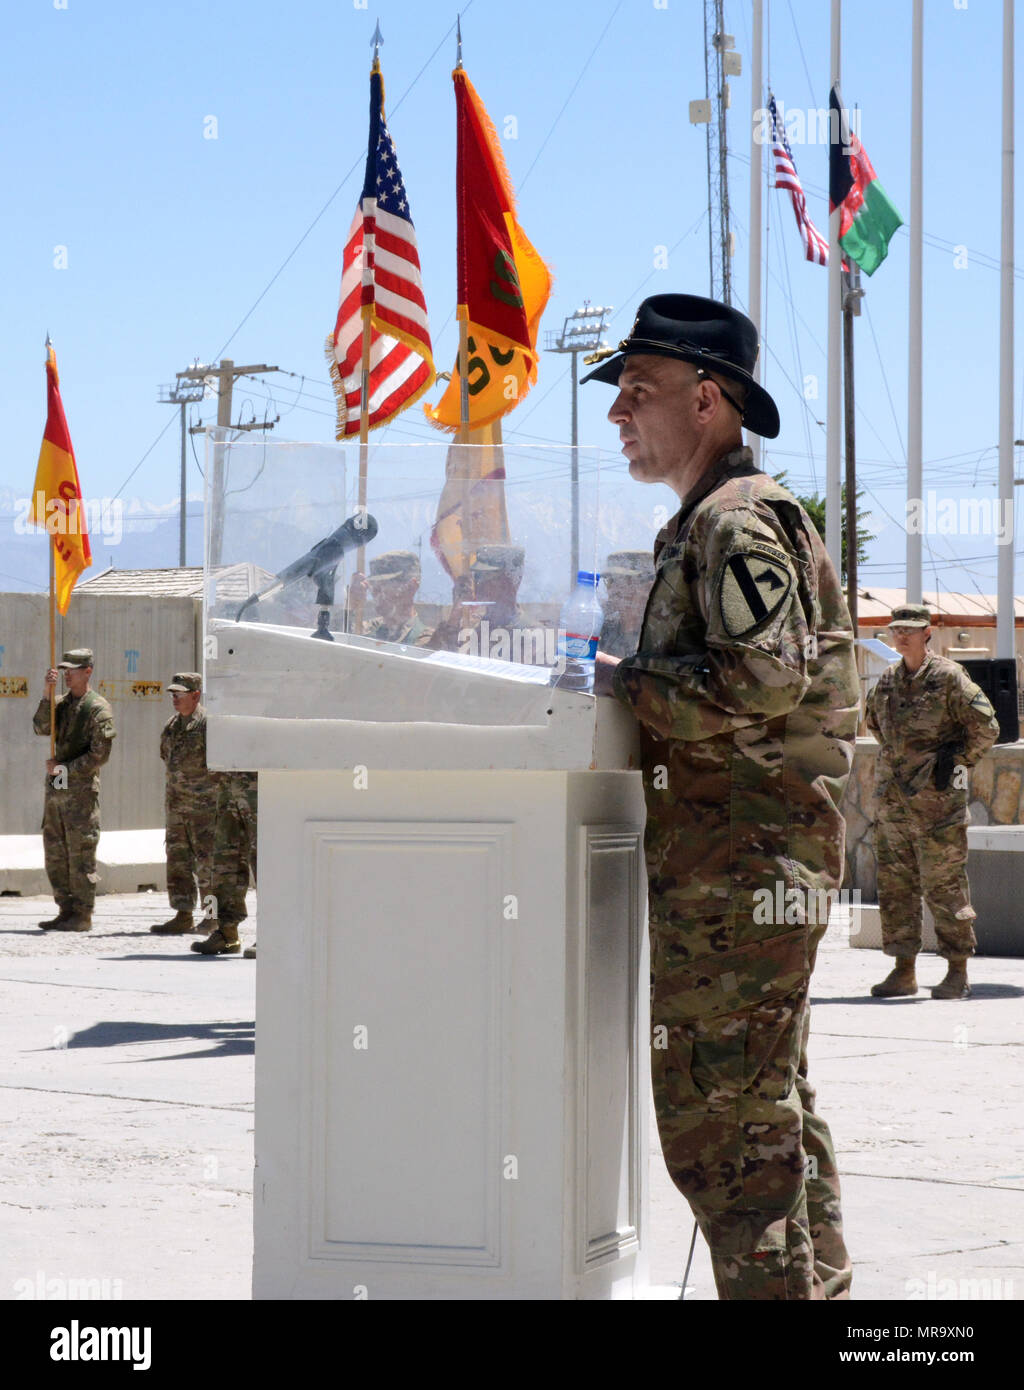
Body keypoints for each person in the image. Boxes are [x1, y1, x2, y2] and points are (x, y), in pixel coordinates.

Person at [582, 292, 859, 1300]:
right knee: (768, 1114)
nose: (618, 413)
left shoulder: (736, 519)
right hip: (743, 872)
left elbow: (763, 681)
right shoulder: (712, 518)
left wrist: (622, 682)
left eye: (637, 391)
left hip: (741, 876)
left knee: (723, 1137)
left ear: (706, 400)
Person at [865, 605, 999, 1001]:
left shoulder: (948, 677)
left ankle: (957, 970)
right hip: (893, 804)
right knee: (895, 887)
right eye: (896, 630)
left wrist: (955, 761)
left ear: (927, 634)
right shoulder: (888, 679)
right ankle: (903, 970)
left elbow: (987, 727)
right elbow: (874, 723)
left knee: (944, 886)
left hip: (937, 804)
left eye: (910, 630)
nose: (901, 636)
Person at [32, 649, 116, 933]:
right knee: (56, 852)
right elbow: (41, 726)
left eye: (73, 670)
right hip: (57, 790)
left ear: (88, 671)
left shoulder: (97, 708)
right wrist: (47, 692)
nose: (67, 674)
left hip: (79, 792)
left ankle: (82, 914)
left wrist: (64, 768)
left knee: (80, 854)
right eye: (64, 669)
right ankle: (64, 910)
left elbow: (100, 755)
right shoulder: (63, 704)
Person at [152, 673, 218, 935]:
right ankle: (182, 914)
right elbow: (165, 757)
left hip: (203, 809)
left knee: (208, 865)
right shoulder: (172, 725)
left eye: (180, 694)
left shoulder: (208, 725)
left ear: (196, 695)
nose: (175, 699)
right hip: (177, 807)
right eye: (173, 695)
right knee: (177, 861)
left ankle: (213, 917)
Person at [191, 772, 257, 957]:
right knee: (226, 860)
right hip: (229, 781)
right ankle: (227, 934)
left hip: (261, 781)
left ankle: (273, 934)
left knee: (267, 858)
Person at [358, 550, 435, 646]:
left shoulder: (426, 641)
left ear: (411, 587)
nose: (375, 591)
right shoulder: (365, 629)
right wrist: (352, 607)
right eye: (373, 584)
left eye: (384, 583)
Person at [599, 551, 656, 658]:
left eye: (622, 580)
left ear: (648, 586)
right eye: (610, 580)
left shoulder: (660, 634)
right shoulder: (603, 627)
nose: (612, 589)